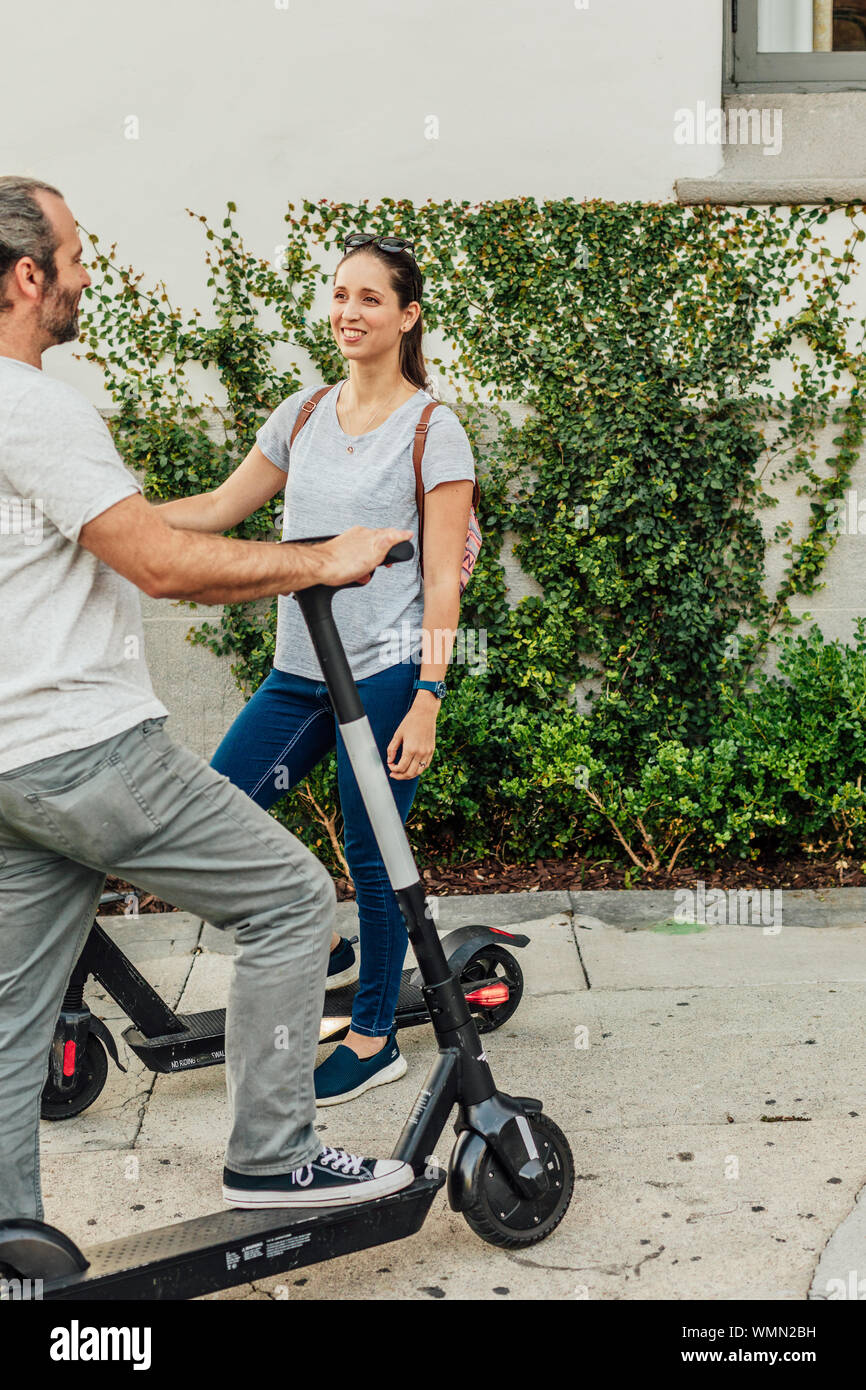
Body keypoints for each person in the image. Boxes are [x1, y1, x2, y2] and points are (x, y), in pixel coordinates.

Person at [0, 174, 416, 1220]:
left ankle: (8, 1234)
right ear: (27, 276)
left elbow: (121, 533)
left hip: (13, 763)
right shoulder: (36, 406)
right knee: (287, 898)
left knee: (12, 1011)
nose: (89, 273)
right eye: (77, 254)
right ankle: (273, 1159)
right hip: (84, 746)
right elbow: (162, 566)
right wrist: (319, 564)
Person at [156, 233, 477, 1105]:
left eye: (370, 298)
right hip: (301, 670)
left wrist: (429, 699)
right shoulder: (300, 415)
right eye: (340, 295)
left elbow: (444, 579)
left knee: (375, 861)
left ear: (407, 315)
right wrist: (118, 520)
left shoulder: (433, 432)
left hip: (381, 671)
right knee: (217, 808)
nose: (349, 312)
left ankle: (375, 1037)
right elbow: (224, 506)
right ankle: (327, 944)